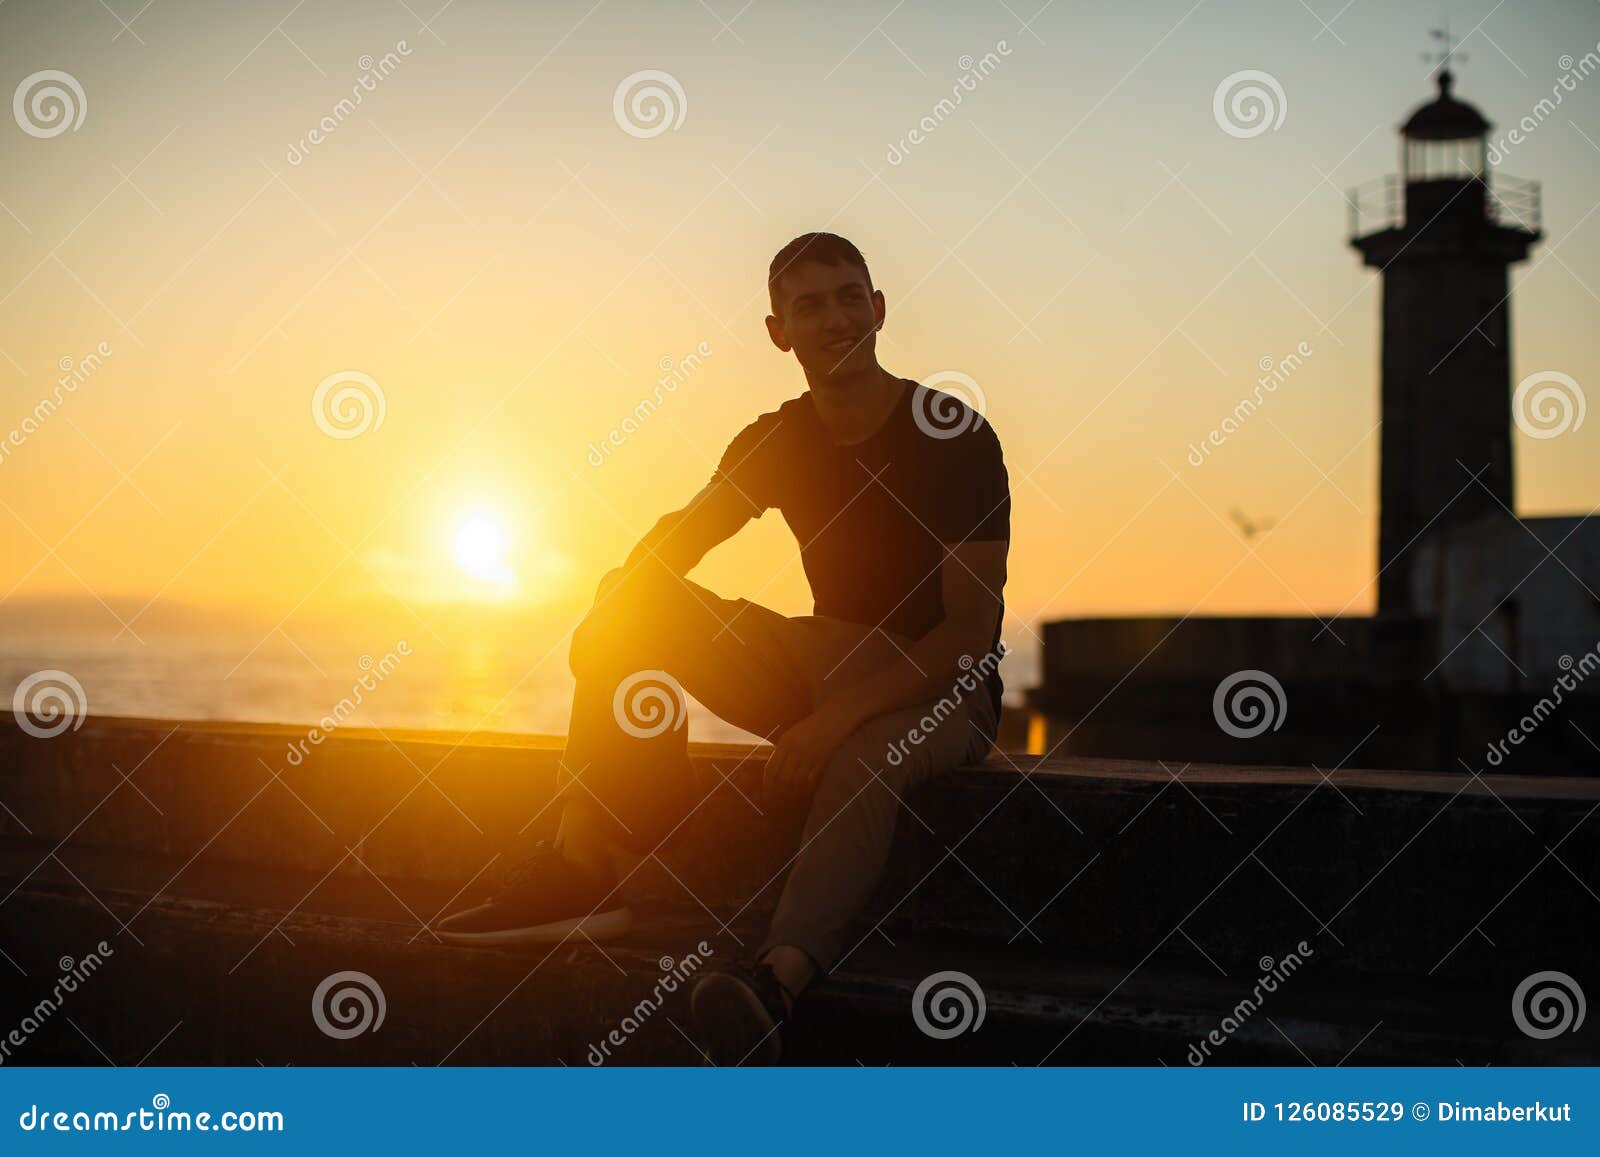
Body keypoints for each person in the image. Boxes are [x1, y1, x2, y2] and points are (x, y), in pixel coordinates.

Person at [438, 232, 1011, 1065]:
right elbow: (679, 540)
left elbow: (970, 634)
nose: (836, 317)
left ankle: (773, 986)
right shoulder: (778, 438)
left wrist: (831, 722)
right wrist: (609, 616)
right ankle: (585, 857)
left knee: (863, 754)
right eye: (810, 304)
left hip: (944, 689)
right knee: (630, 598)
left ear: (880, 309)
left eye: (852, 296)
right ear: (778, 331)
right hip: (825, 659)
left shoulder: (952, 434)